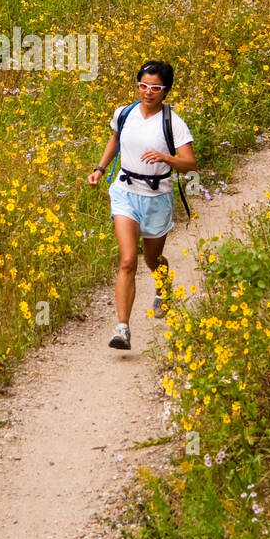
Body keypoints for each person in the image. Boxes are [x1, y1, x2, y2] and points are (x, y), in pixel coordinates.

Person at [88, 61, 198, 351]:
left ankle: (163, 286)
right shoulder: (124, 113)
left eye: (155, 88)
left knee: (152, 260)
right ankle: (122, 329)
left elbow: (190, 164)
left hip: (157, 197)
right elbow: (115, 139)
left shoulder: (173, 122)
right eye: (143, 86)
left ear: (166, 91)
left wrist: (167, 158)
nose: (148, 92)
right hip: (124, 190)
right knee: (127, 260)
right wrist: (100, 168)